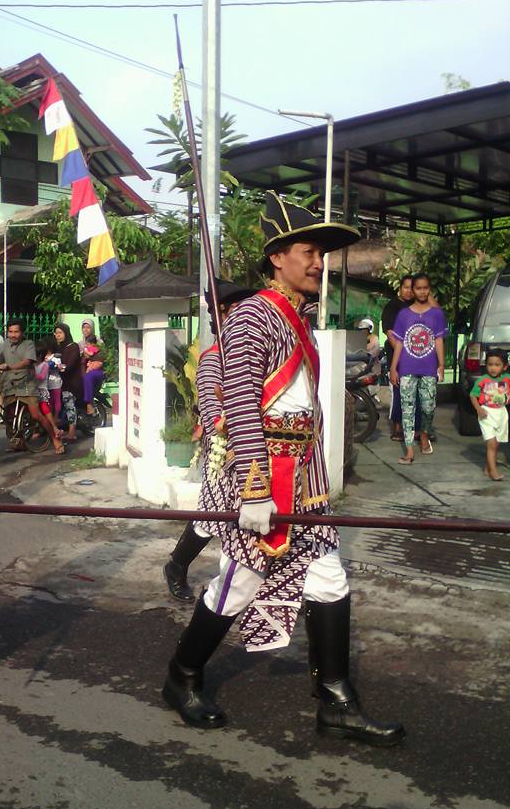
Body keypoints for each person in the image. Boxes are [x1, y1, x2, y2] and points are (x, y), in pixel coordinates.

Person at [161, 191, 404, 748]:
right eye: (308, 251)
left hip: (302, 481)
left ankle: (336, 702)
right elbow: (241, 401)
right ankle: (183, 676)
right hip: (264, 477)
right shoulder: (254, 315)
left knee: (327, 576)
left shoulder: (291, 315)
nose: (318, 262)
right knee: (242, 579)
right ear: (277, 258)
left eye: (321, 253)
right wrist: (251, 485)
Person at [164, 281, 256, 602]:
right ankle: (177, 566)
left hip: (252, 450)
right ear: (225, 315)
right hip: (224, 450)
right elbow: (213, 411)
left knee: (242, 518)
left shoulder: (248, 354)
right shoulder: (213, 359)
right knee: (213, 516)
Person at [389, 273, 447, 465]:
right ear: (412, 290)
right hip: (406, 367)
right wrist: (393, 368)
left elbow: (438, 339)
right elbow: (399, 342)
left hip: (429, 367)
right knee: (407, 409)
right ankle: (409, 450)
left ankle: (424, 434)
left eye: (425, 288)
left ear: (429, 290)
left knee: (429, 407)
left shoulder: (436, 314)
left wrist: (441, 364)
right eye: (418, 288)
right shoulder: (403, 314)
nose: (422, 291)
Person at [0, 320, 63, 455]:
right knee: (9, 415)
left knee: (36, 414)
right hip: (9, 383)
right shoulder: (4, 345)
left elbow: (28, 361)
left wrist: (10, 367)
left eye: (16, 332)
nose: (13, 335)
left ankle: (55, 439)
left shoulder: (28, 344)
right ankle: (19, 442)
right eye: (10, 332)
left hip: (26, 382)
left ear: (22, 333)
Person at [469, 348, 510, 481]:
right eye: (490, 364)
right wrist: (478, 409)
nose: (492, 368)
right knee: (491, 443)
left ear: (505, 366)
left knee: (496, 444)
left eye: (497, 365)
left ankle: (488, 467)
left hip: (502, 414)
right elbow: (473, 395)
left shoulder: (508, 379)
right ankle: (494, 472)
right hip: (486, 413)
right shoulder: (482, 380)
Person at [381, 275, 414, 440]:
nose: (409, 291)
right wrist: (405, 355)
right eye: (406, 287)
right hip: (398, 358)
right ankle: (397, 428)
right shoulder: (392, 307)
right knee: (398, 391)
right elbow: (390, 334)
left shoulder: (417, 307)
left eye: (412, 287)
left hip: (416, 358)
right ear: (400, 288)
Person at [53, 323, 83, 443]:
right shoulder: (59, 348)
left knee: (68, 403)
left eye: (60, 333)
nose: (58, 335)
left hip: (72, 382)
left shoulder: (73, 347)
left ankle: (72, 432)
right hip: (59, 381)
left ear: (66, 333)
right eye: (56, 333)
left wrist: (61, 366)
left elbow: (70, 365)